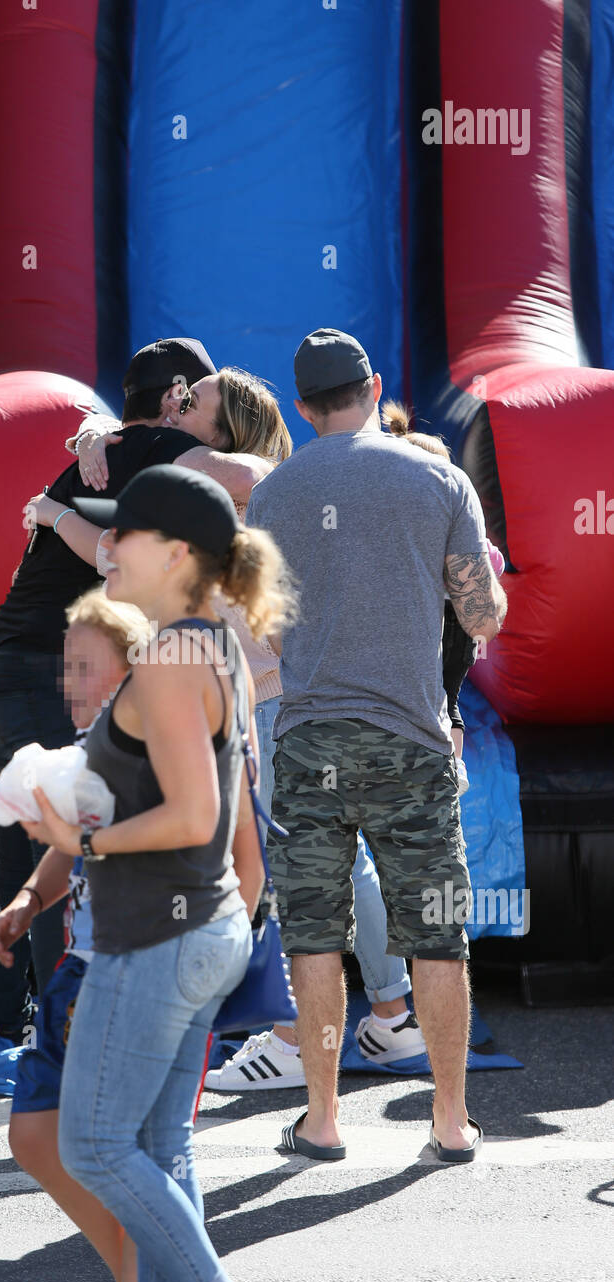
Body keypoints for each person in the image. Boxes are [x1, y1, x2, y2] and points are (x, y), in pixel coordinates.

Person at [62, 371, 431, 1087]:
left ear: (228, 424)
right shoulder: (239, 492)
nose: (175, 409)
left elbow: (113, 553)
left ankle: (308, 1032)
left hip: (270, 698)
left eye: (191, 403)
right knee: (325, 860)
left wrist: (60, 503)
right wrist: (92, 439)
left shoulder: (251, 483)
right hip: (265, 695)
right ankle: (384, 1015)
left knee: (299, 862)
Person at [21, 464, 293, 1282]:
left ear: (176, 552)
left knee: (95, 1148)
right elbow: (237, 822)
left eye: (121, 534)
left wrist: (83, 840)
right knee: (161, 1147)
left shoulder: (175, 653)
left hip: (158, 941)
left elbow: (193, 816)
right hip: (198, 933)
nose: (106, 547)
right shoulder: (215, 644)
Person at [246, 328, 507, 1163]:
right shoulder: (437, 475)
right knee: (436, 931)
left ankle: (322, 1121)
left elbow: (260, 625)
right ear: (375, 386)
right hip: (412, 742)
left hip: (307, 739)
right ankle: (450, 1121)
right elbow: (483, 614)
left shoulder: (275, 495)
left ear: (301, 407)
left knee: (314, 935)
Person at [0, 337, 270, 1042]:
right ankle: (61, 1030)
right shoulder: (160, 449)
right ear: (171, 401)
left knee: (26, 835)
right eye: (194, 397)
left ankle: (8, 1023)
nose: (195, 411)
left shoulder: (106, 454)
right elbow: (258, 474)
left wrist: (80, 461)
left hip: (10, 659)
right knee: (66, 826)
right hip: (48, 661)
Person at [0, 589, 152, 1282]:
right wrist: (29, 898)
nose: (68, 683)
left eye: (85, 666)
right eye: (66, 665)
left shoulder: (153, 750)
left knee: (124, 1156)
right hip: (76, 970)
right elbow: (72, 851)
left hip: (128, 977)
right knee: (32, 1137)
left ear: (131, 671)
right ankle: (136, 1273)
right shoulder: (89, 749)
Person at [381, 401, 506, 796]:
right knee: (449, 698)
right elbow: (493, 562)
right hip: (461, 630)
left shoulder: (401, 526)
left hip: (429, 623)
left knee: (428, 695)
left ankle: (433, 762)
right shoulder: (457, 517)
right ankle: (453, 764)